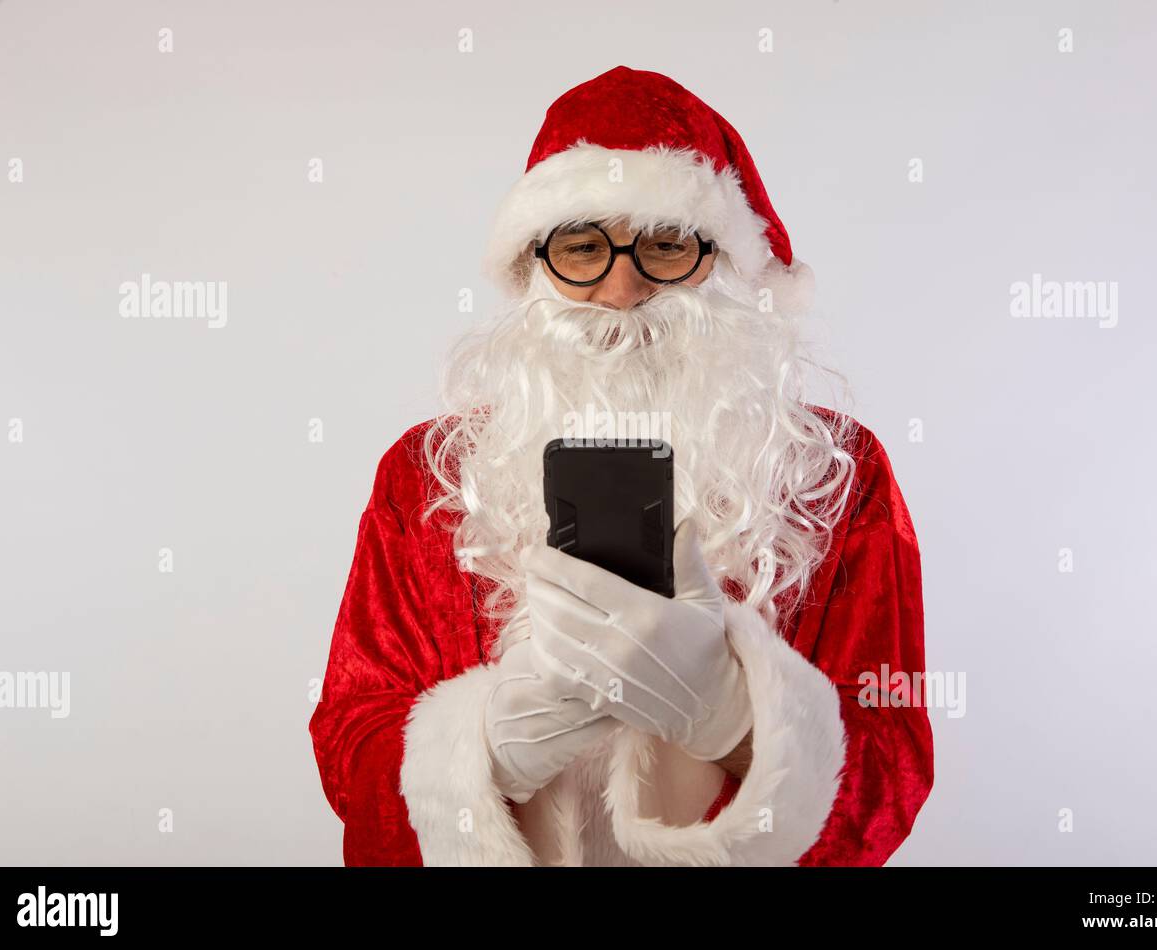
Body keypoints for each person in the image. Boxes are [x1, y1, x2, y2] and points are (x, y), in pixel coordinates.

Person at [308, 65, 933, 866]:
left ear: (726, 266)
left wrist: (738, 720)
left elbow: (896, 752)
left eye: (666, 245)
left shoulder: (835, 472)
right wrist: (483, 747)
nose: (622, 287)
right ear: (535, 268)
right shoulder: (426, 475)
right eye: (582, 247)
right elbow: (350, 727)